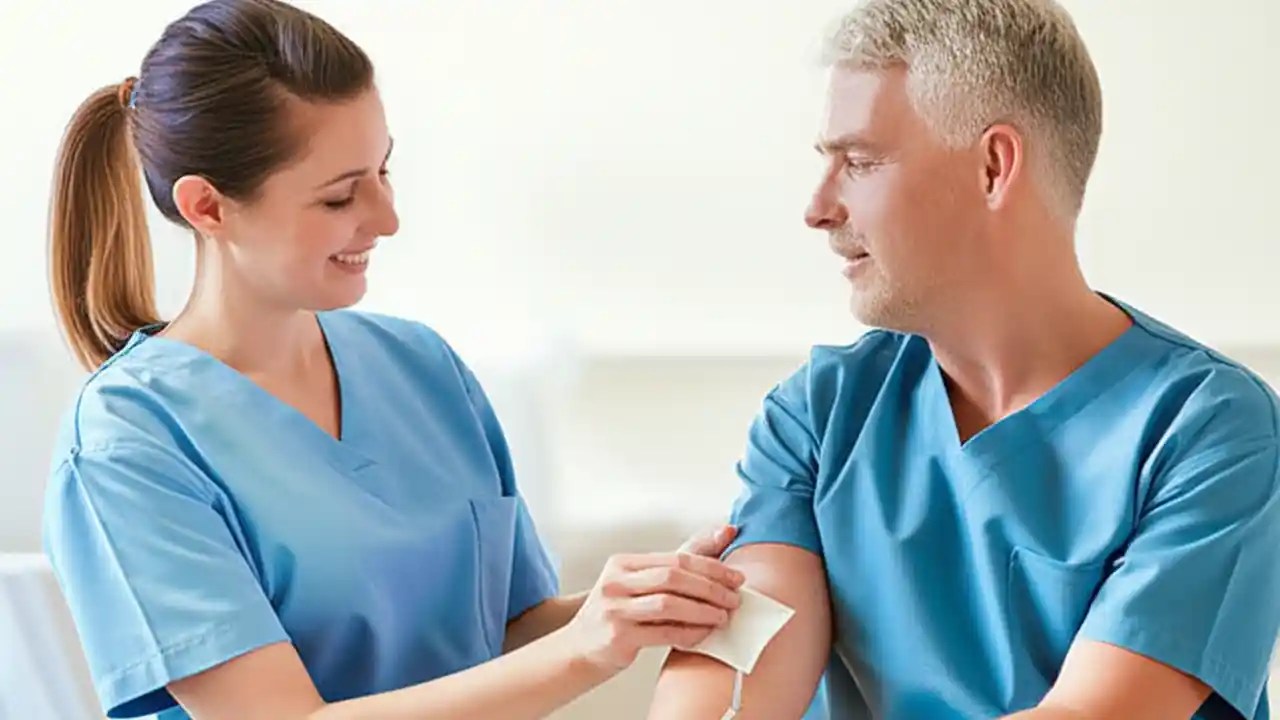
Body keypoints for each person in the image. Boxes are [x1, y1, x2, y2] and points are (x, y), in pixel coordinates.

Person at [41, 1, 746, 719]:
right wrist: (588, 646)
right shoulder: (128, 444)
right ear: (208, 208)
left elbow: (499, 637)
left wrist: (642, 601)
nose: (385, 219)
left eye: (383, 171)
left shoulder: (423, 369)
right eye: (340, 196)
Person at [647, 0, 1280, 718]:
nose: (818, 208)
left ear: (992, 166)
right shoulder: (820, 416)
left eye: (857, 161)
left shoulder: (1209, 431)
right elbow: (736, 685)